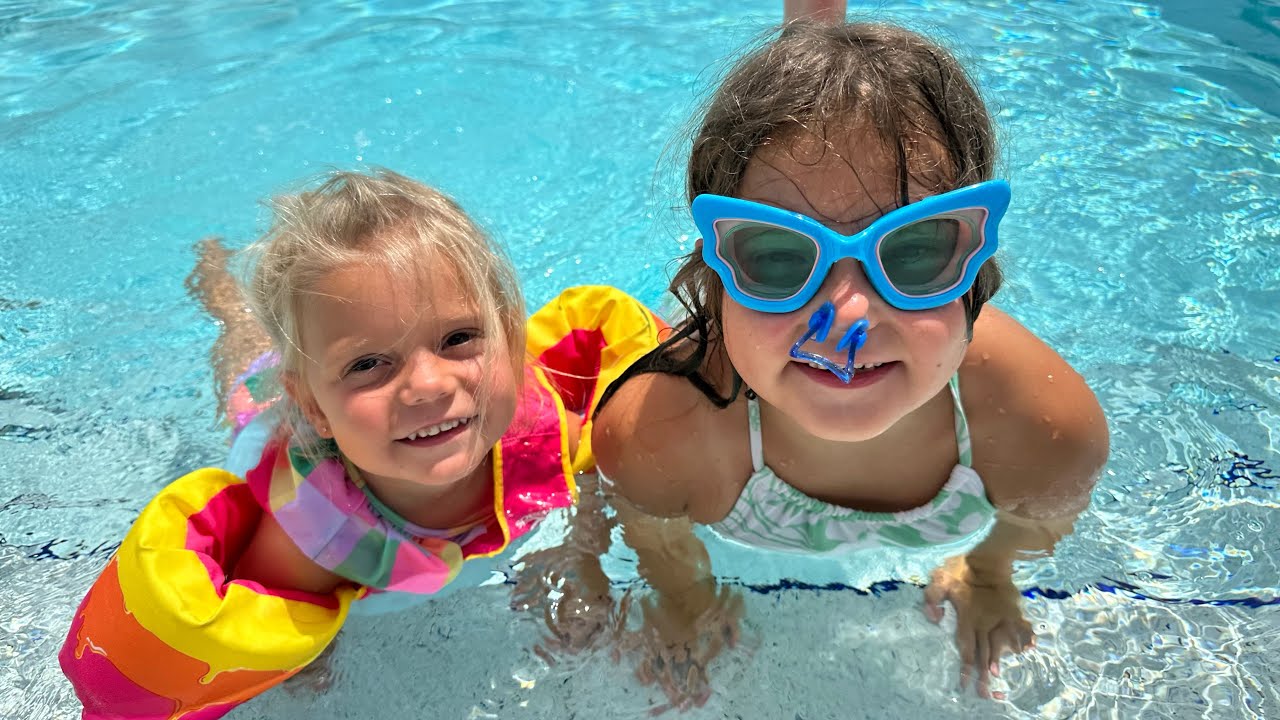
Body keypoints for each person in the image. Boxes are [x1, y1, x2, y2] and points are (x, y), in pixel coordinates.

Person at [593, 20, 1109, 702]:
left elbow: (1036, 518)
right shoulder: (660, 436)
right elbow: (653, 530)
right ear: (715, 275)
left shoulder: (1043, 429)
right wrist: (684, 595)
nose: (848, 322)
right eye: (778, 256)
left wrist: (988, 574)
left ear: (974, 263)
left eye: (916, 250)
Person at [59, 169, 665, 719]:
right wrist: (312, 662)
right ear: (317, 407)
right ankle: (219, 285)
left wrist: (583, 559)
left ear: (508, 337)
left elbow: (588, 484)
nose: (429, 385)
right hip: (273, 410)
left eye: (459, 337)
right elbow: (280, 615)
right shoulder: (313, 531)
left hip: (316, 375)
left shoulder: (547, 419)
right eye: (370, 364)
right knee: (244, 352)